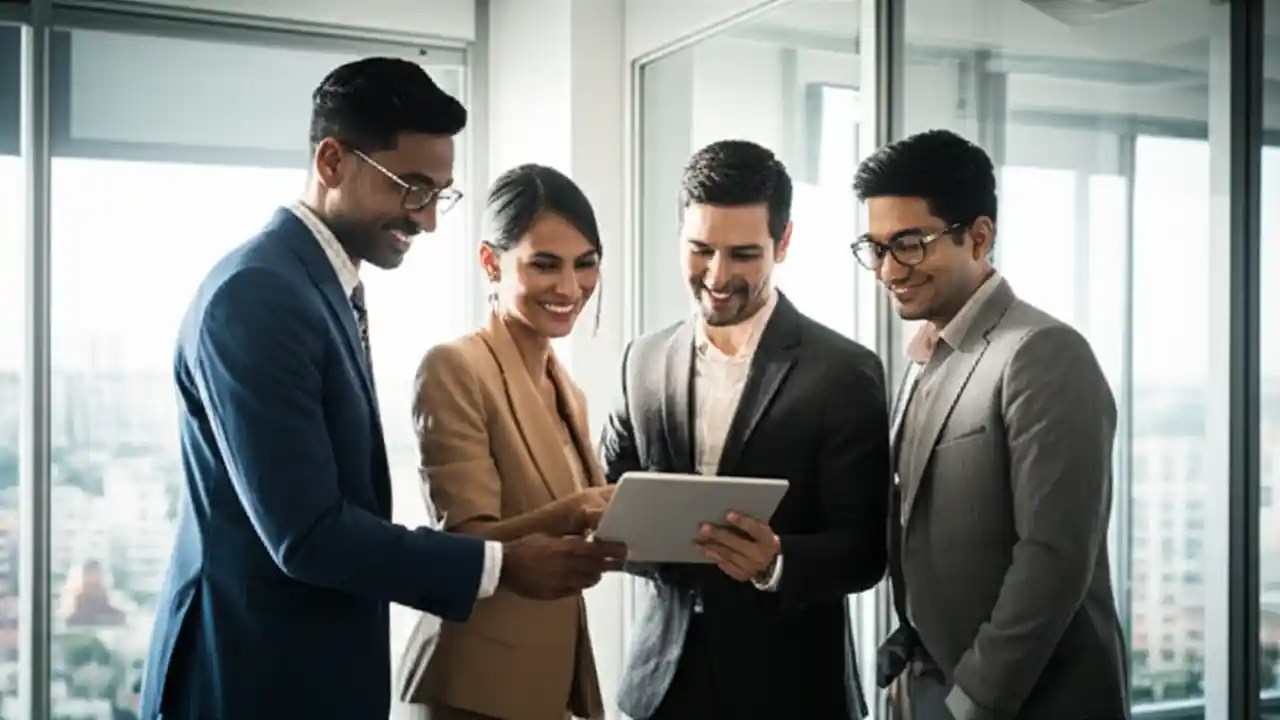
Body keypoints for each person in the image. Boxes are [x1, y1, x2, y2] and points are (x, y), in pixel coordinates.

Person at [138, 58, 625, 720]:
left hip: (306, 672)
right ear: (332, 161)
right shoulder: (259, 295)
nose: (425, 220)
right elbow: (307, 535)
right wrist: (504, 565)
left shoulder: (320, 288)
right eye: (411, 188)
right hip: (251, 678)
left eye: (437, 194)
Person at [599, 139, 891, 719]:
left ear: (783, 243)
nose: (717, 275)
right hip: (663, 689)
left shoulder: (843, 372)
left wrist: (776, 562)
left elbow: (865, 551)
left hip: (792, 692)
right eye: (701, 249)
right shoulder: (643, 360)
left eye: (743, 254)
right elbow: (606, 503)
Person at [855, 129, 1127, 720]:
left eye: (909, 243)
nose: (887, 270)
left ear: (979, 237)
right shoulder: (926, 356)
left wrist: (971, 701)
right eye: (875, 247)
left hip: (1029, 701)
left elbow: (1054, 557)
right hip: (933, 686)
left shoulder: (1044, 353)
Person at [399, 164, 615, 720]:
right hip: (475, 681)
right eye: (544, 265)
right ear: (491, 262)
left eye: (585, 264)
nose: (569, 288)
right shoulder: (455, 367)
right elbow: (466, 545)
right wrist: (578, 509)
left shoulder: (568, 389)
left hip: (549, 681)